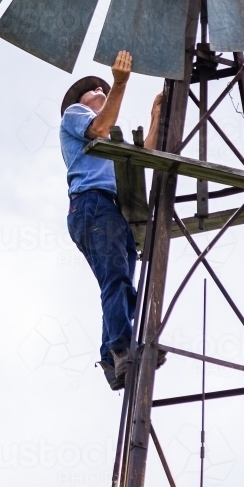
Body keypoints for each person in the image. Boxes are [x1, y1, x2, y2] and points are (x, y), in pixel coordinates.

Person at [60, 50, 164, 390]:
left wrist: (156, 115)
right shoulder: (75, 117)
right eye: (91, 90)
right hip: (91, 205)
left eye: (103, 88)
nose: (98, 90)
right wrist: (119, 83)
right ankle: (122, 348)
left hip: (111, 211)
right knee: (117, 278)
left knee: (117, 282)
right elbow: (100, 124)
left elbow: (142, 156)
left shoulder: (107, 139)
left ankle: (111, 356)